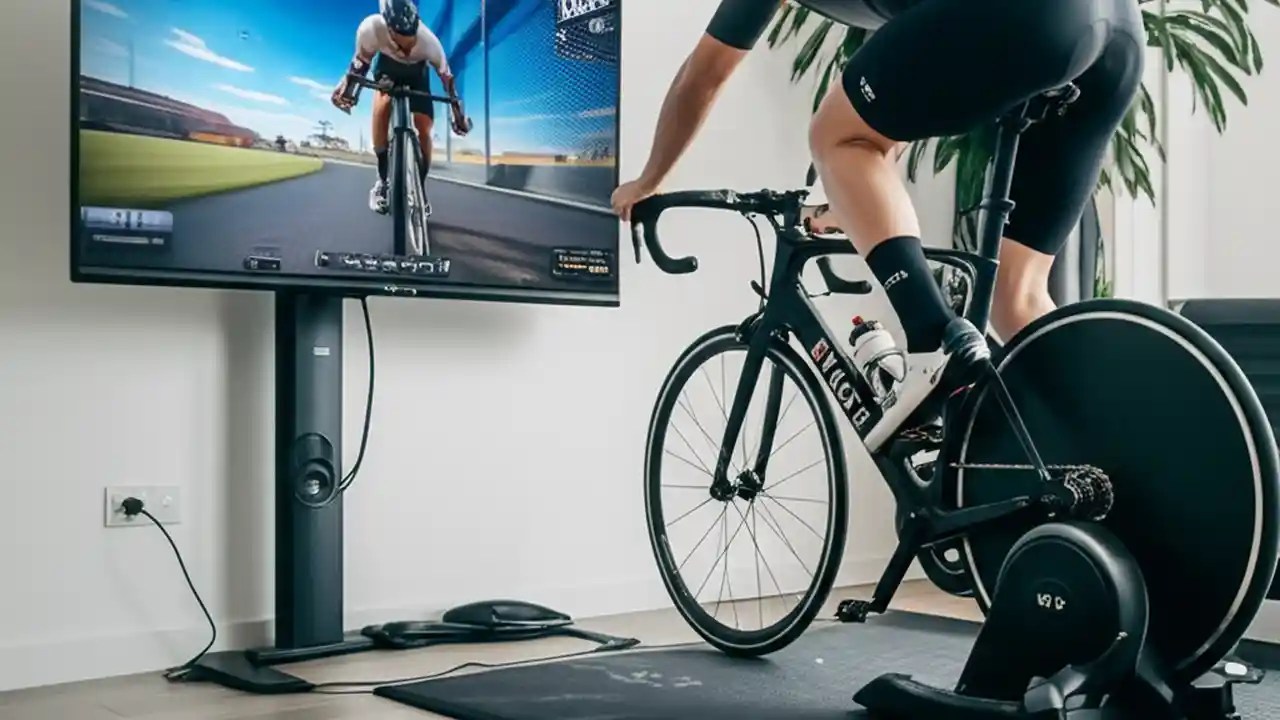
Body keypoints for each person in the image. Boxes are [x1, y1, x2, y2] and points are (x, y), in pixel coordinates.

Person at [611, 0, 1143, 432]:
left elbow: (701, 77)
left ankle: (932, 340)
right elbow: (904, 87)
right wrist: (852, 196)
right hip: (1118, 35)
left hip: (1031, 17)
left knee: (832, 135)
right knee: (1017, 296)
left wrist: (649, 180)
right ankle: (1113, 454)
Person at [332, 0, 465, 215]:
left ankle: (420, 189)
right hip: (387, 70)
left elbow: (448, 82)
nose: (407, 49)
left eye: (411, 43)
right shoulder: (371, 29)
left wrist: (458, 115)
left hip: (417, 74)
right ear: (389, 29)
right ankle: (382, 181)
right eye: (402, 43)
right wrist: (346, 90)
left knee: (424, 127)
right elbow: (360, 65)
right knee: (382, 102)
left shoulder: (429, 41)